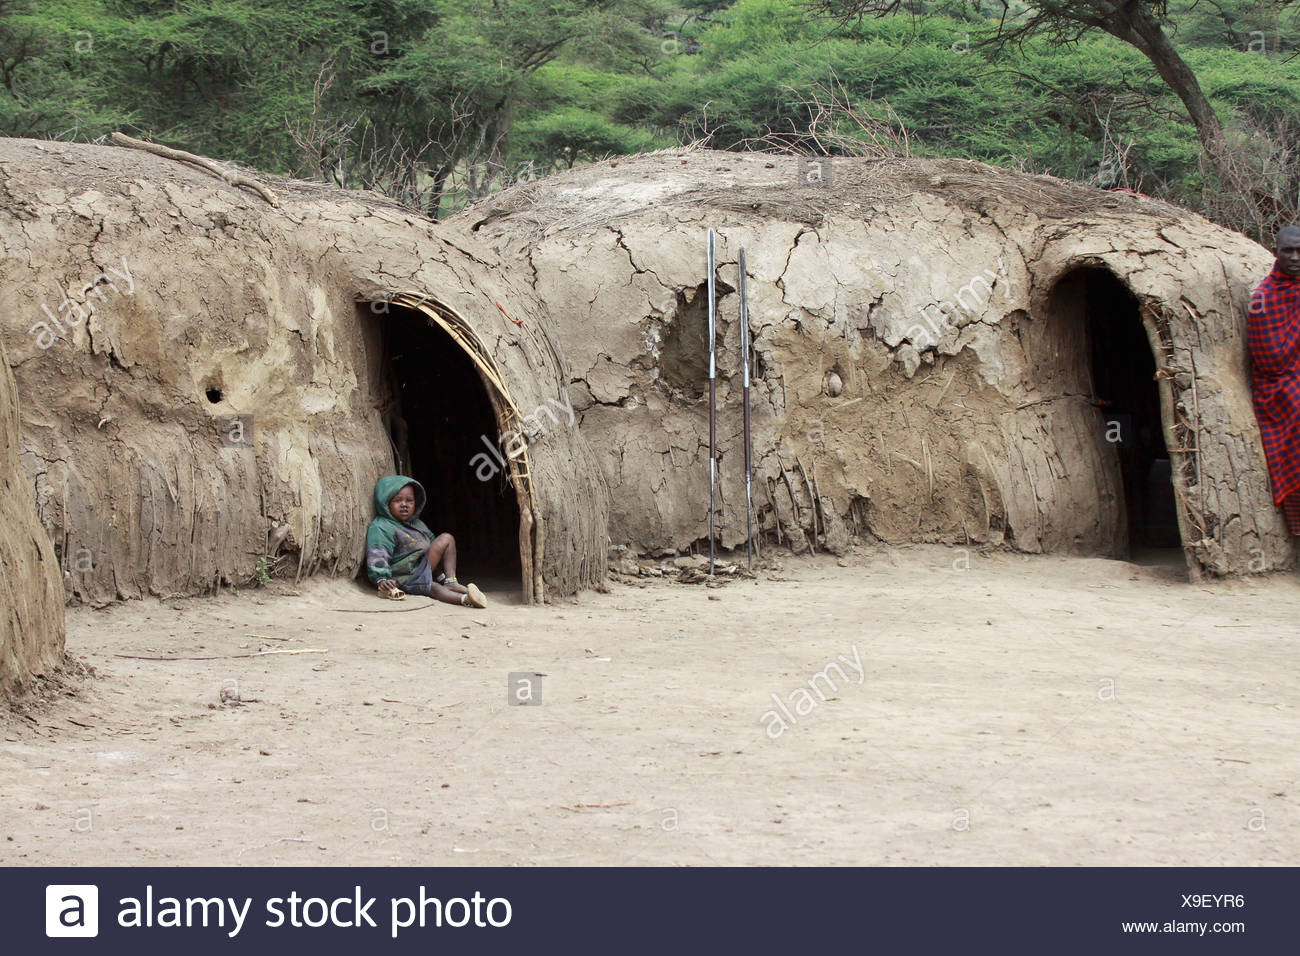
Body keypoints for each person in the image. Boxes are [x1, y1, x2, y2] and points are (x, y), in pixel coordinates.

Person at [365, 474, 487, 607]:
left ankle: (451, 582)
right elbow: (378, 554)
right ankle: (465, 600)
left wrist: (439, 574)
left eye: (409, 500)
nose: (404, 505)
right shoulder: (382, 527)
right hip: (403, 576)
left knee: (447, 539)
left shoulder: (417, 524)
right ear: (385, 502)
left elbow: (432, 544)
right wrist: (382, 578)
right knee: (434, 588)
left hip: (420, 566)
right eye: (397, 500)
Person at [1248, 225, 1300, 534]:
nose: (1295, 258)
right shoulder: (1264, 299)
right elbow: (1272, 361)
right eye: (1288, 251)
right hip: (1279, 386)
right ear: (1275, 251)